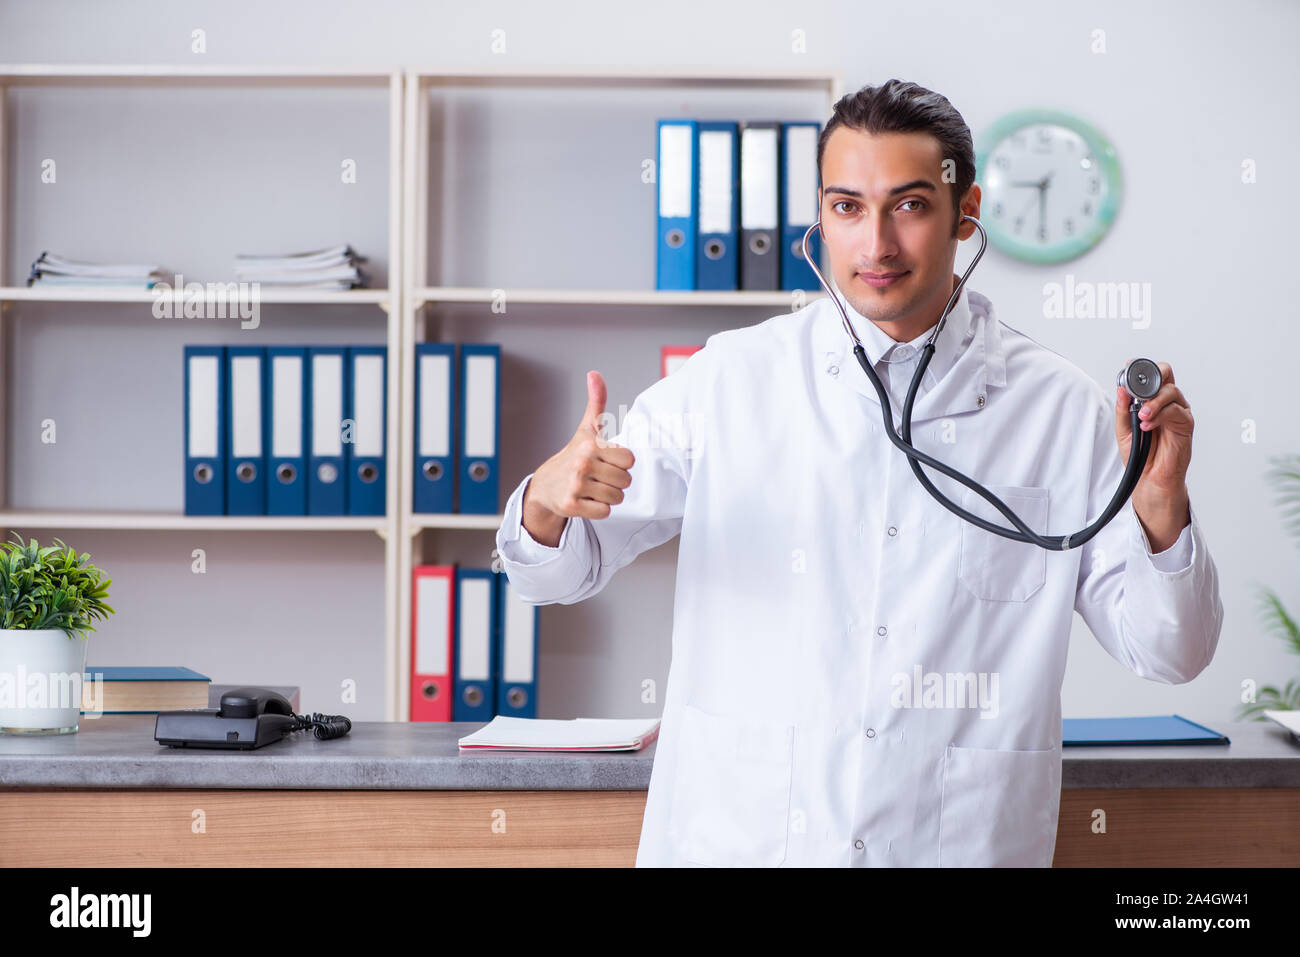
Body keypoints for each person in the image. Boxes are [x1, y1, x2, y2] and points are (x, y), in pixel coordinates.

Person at [494, 79, 1223, 867]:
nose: (875, 244)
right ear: (821, 215)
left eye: (908, 206)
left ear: (966, 210)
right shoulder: (728, 379)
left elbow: (1171, 651)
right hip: (741, 841)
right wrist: (546, 501)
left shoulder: (1064, 410)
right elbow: (552, 576)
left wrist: (1159, 504)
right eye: (846, 207)